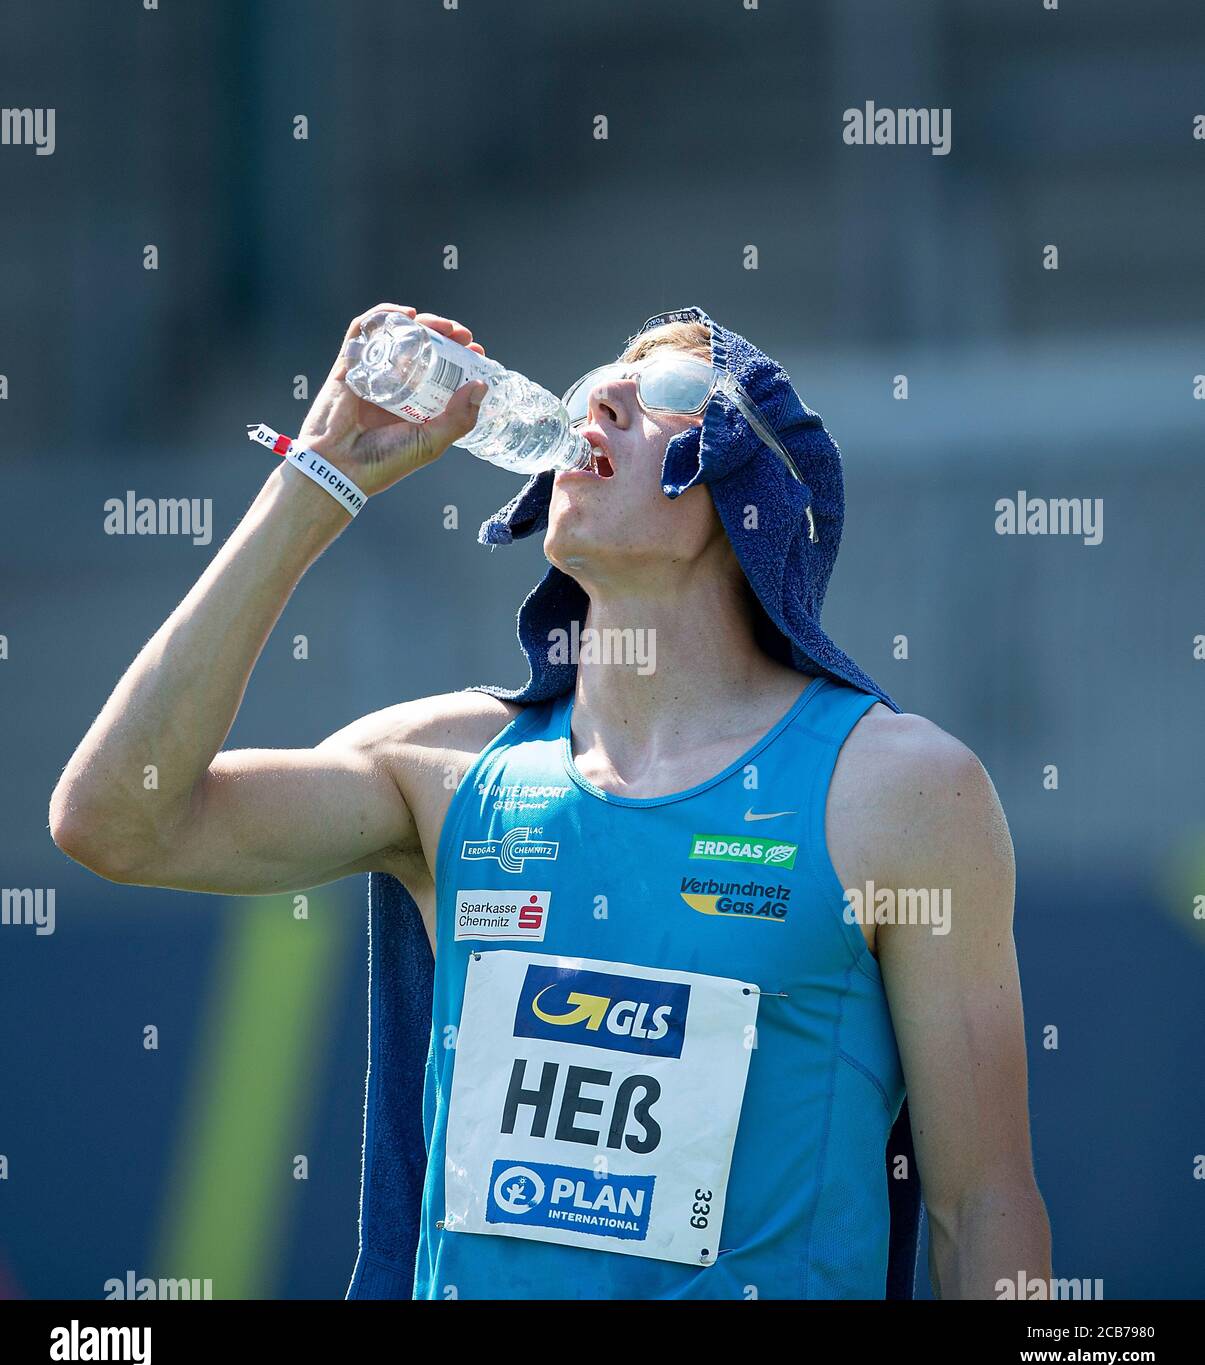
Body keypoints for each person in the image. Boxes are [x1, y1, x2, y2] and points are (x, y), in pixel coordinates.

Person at [50, 302, 1050, 1299]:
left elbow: (980, 1208)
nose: (602, 395)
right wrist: (316, 483)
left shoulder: (900, 791)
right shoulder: (440, 767)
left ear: (755, 493)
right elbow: (116, 820)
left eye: (667, 391)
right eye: (598, 379)